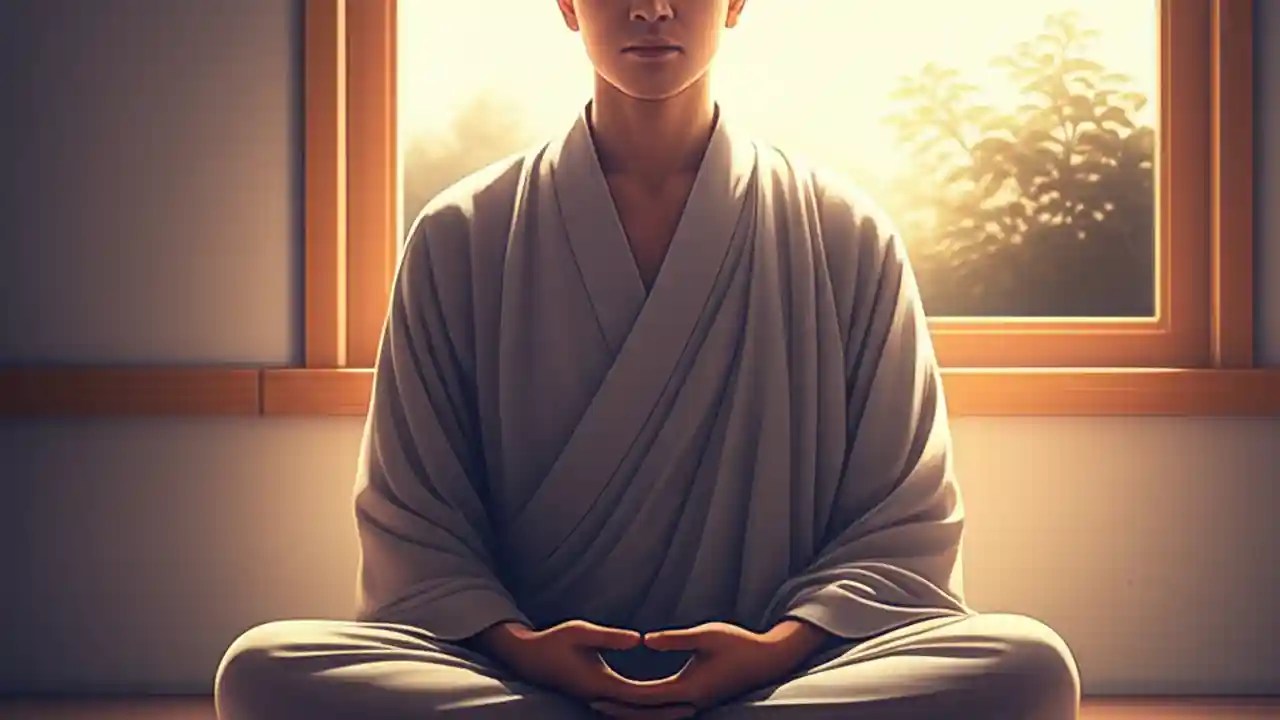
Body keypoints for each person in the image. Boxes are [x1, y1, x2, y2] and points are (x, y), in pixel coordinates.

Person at [214, 1, 1082, 718]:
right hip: (526, 679)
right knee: (263, 671)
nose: (653, 9)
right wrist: (526, 653)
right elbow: (418, 531)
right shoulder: (459, 237)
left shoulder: (847, 236)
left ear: (738, 2)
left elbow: (901, 526)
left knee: (1027, 666)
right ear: (565, 4)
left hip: (778, 678)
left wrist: (771, 654)